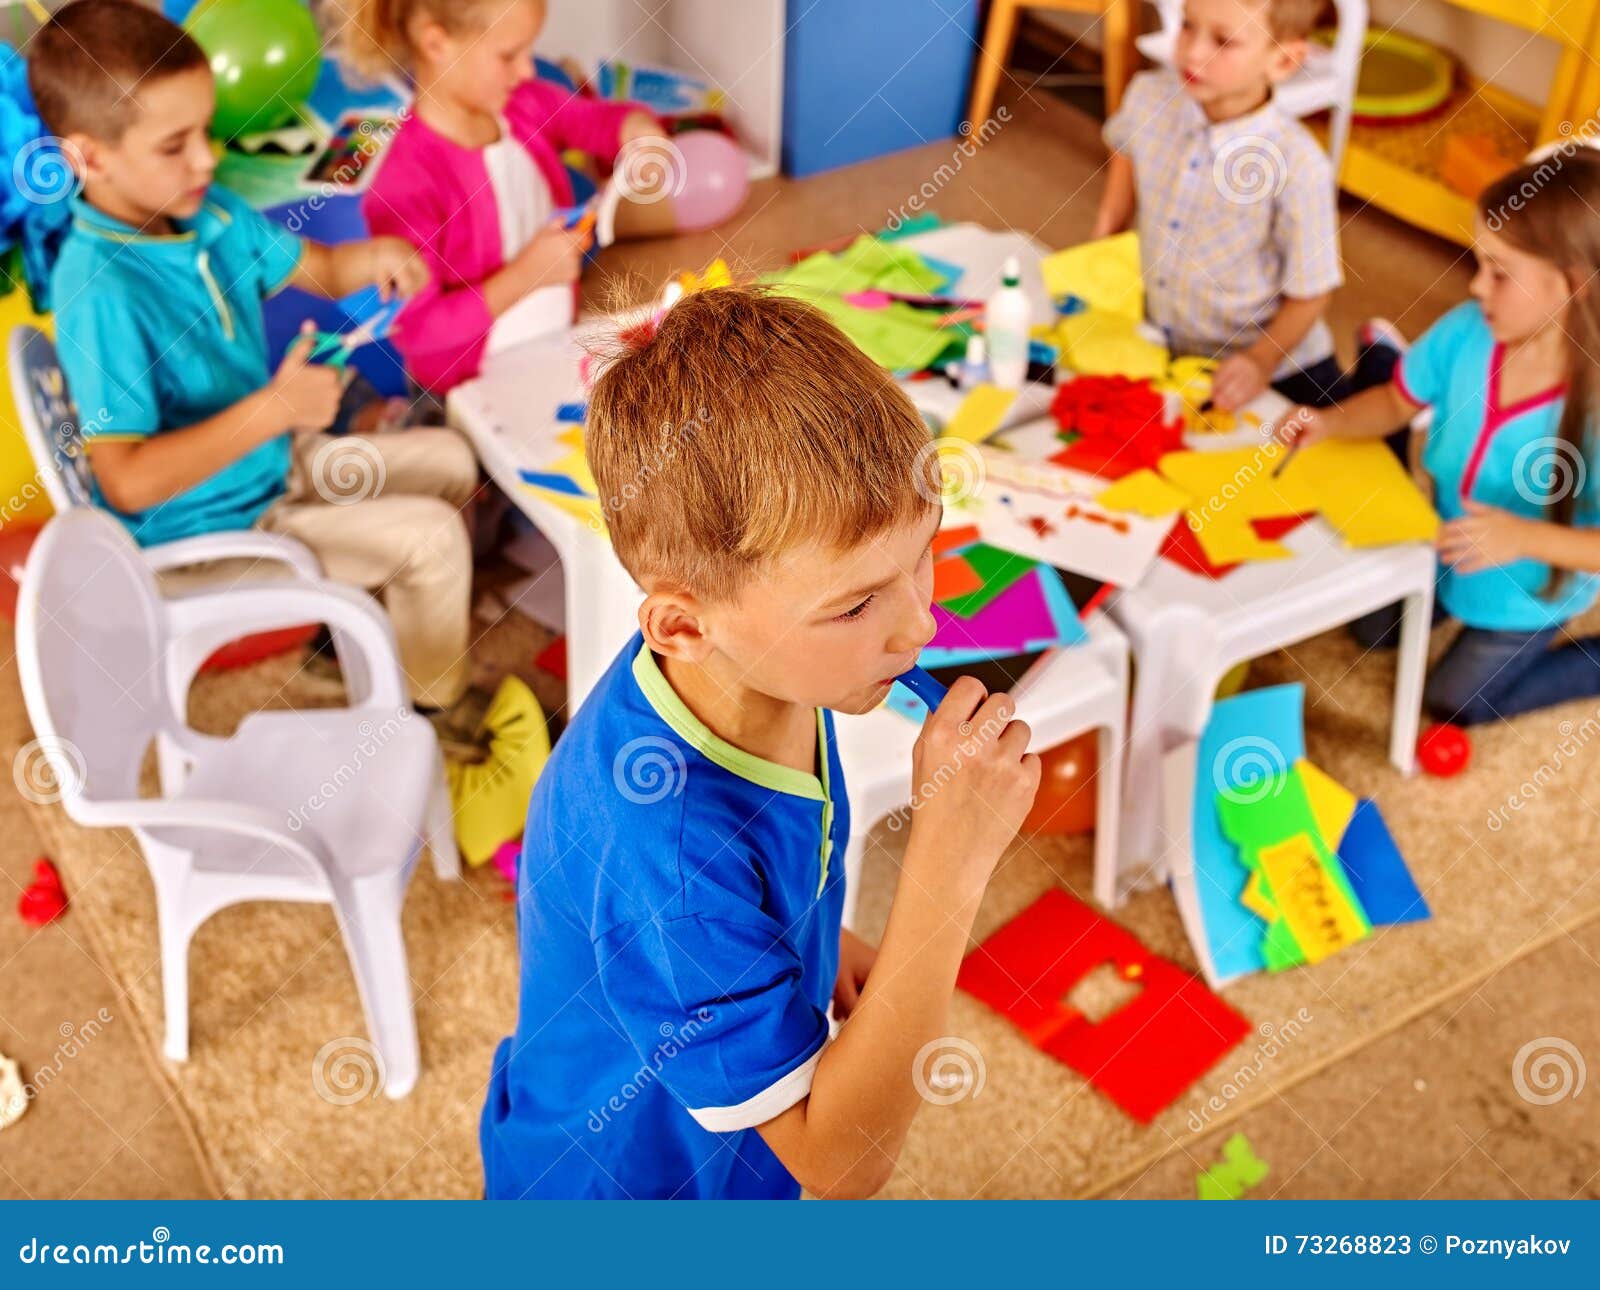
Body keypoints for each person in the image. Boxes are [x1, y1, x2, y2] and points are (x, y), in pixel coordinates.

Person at [480, 288, 1040, 1198]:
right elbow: (841, 1164)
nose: (919, 626)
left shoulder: (763, 670)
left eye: (922, 554)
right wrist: (946, 871)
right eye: (855, 604)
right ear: (685, 626)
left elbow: (767, 878)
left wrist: (826, 941)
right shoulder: (671, 856)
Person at [31, 0, 479, 710]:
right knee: (433, 539)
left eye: (205, 131)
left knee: (454, 461)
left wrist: (379, 258)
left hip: (266, 470)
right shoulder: (98, 290)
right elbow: (128, 484)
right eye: (174, 146)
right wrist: (276, 410)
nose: (208, 158)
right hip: (211, 534)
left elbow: (325, 271)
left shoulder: (208, 213)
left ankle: (368, 634)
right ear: (88, 156)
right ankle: (426, 715)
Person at [1280, 155, 1600, 724]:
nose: (1476, 285)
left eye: (1500, 273)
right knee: (1371, 633)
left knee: (1452, 705)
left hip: (1528, 596)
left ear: (1573, 285)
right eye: (1478, 263)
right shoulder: (1466, 331)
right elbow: (1396, 404)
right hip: (1443, 539)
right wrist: (1328, 423)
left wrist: (1522, 538)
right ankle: (1384, 355)